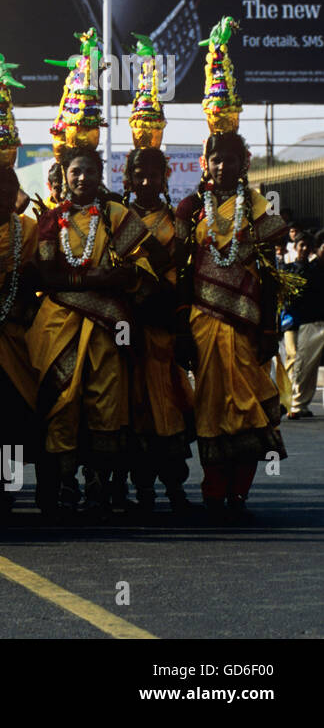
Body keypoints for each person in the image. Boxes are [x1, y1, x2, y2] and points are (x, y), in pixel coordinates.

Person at [28, 146, 150, 521]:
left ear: (101, 175)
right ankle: (65, 483)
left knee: (106, 403)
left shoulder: (116, 216)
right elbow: (45, 275)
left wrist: (125, 275)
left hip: (108, 327)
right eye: (75, 172)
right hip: (59, 324)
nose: (82, 179)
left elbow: (143, 265)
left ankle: (101, 483)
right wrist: (90, 278)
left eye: (90, 172)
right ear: (64, 175)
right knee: (62, 401)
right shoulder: (52, 220)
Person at [175, 132, 289, 522]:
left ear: (245, 164)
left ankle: (239, 493)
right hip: (203, 323)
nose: (223, 166)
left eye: (231, 159)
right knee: (211, 406)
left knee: (246, 407)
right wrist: (180, 330)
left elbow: (271, 275)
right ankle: (213, 491)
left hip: (248, 325)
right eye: (216, 159)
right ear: (205, 163)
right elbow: (179, 274)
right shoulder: (191, 209)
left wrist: (270, 330)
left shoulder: (259, 210)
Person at [121, 147, 195, 515]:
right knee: (134, 408)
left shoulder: (177, 220)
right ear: (129, 179)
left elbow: (182, 276)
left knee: (168, 407)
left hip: (163, 328)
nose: (146, 181)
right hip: (127, 332)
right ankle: (143, 491)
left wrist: (181, 325)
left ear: (166, 177)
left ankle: (176, 490)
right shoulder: (116, 219)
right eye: (139, 174)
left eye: (154, 174)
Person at [0, 165, 39, 516]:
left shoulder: (29, 230)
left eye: (6, 187)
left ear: (15, 191)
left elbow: (38, 274)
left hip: (18, 330)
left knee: (19, 407)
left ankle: (16, 482)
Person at [282, 231, 322, 419]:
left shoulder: (313, 269)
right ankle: (295, 403)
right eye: (301, 245)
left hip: (308, 320)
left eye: (308, 246)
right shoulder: (294, 269)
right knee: (299, 362)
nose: (304, 249)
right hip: (297, 321)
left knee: (307, 365)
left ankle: (300, 404)